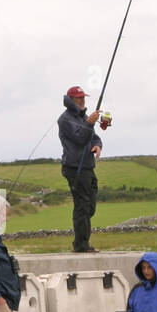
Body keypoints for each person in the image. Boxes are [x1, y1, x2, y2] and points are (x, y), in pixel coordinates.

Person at [57, 85, 103, 253]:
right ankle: (81, 245)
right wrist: (89, 124)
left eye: (83, 97)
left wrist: (97, 146)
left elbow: (94, 138)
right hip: (75, 168)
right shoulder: (65, 119)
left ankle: (81, 242)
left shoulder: (83, 118)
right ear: (71, 100)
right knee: (82, 206)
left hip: (88, 167)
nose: (82, 100)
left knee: (89, 206)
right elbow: (79, 138)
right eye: (79, 98)